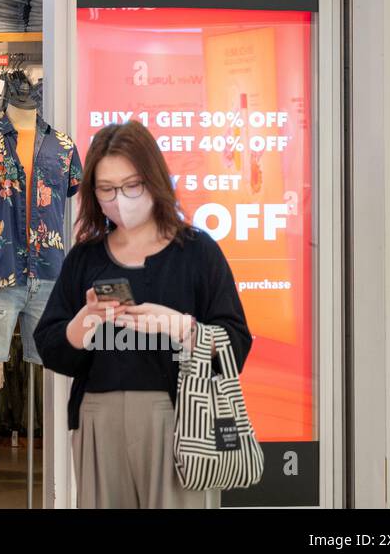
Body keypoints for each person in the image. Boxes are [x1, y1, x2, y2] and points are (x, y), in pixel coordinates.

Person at [33, 120, 251, 508]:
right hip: (97, 418)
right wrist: (84, 321)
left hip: (181, 420)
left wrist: (181, 327)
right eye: (106, 189)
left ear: (153, 180)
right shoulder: (86, 258)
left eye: (131, 185)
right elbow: (50, 346)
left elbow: (236, 342)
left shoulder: (196, 252)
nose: (120, 199)